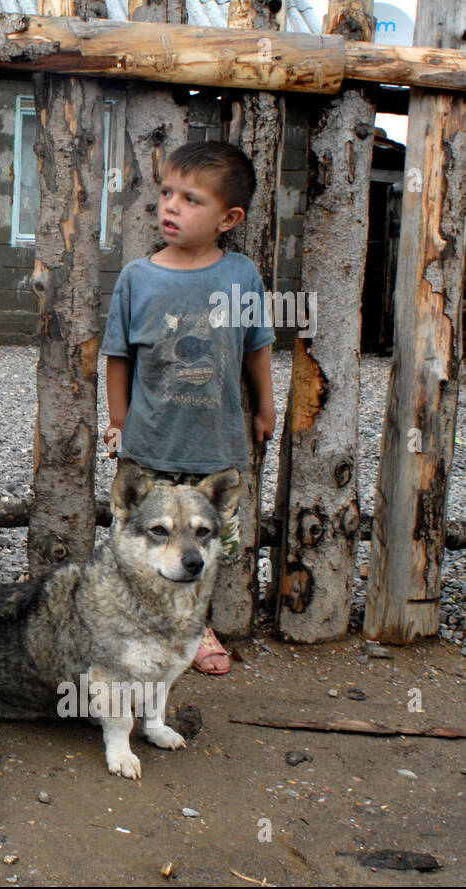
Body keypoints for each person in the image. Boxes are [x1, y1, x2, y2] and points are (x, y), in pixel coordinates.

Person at [103, 141, 277, 674]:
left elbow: (257, 345)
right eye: (166, 193)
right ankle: (136, 629)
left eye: (191, 199)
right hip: (152, 440)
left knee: (202, 542)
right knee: (147, 538)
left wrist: (267, 406)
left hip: (215, 445)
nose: (171, 206)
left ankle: (195, 630)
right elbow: (118, 355)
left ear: (230, 217)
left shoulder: (241, 275)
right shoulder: (138, 277)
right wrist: (117, 419)